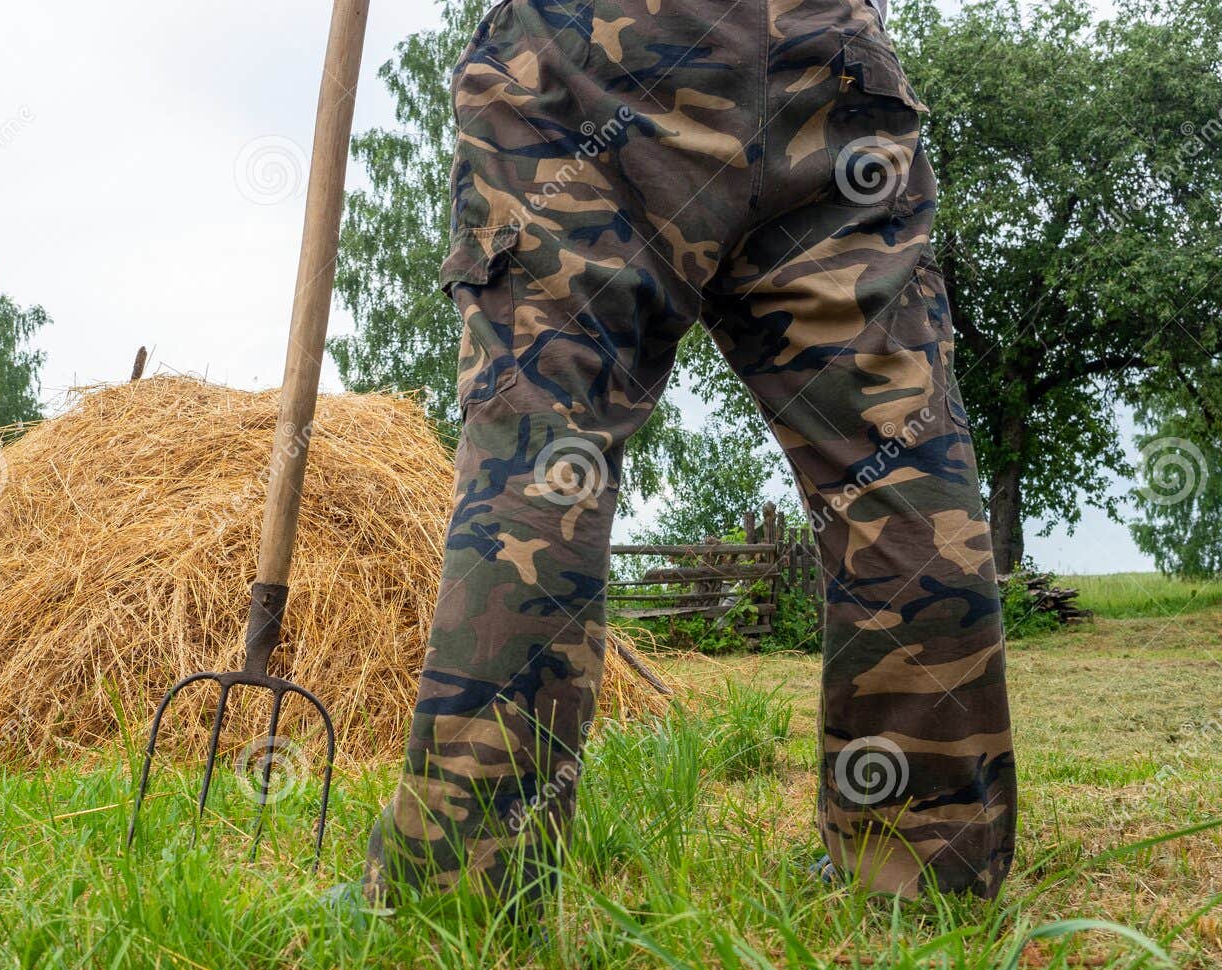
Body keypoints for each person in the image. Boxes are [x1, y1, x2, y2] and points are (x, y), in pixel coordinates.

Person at [363, 0, 1017, 910]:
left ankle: (462, 882)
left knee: (545, 451)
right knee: (893, 457)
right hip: (820, 52)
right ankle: (930, 873)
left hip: (584, 55)